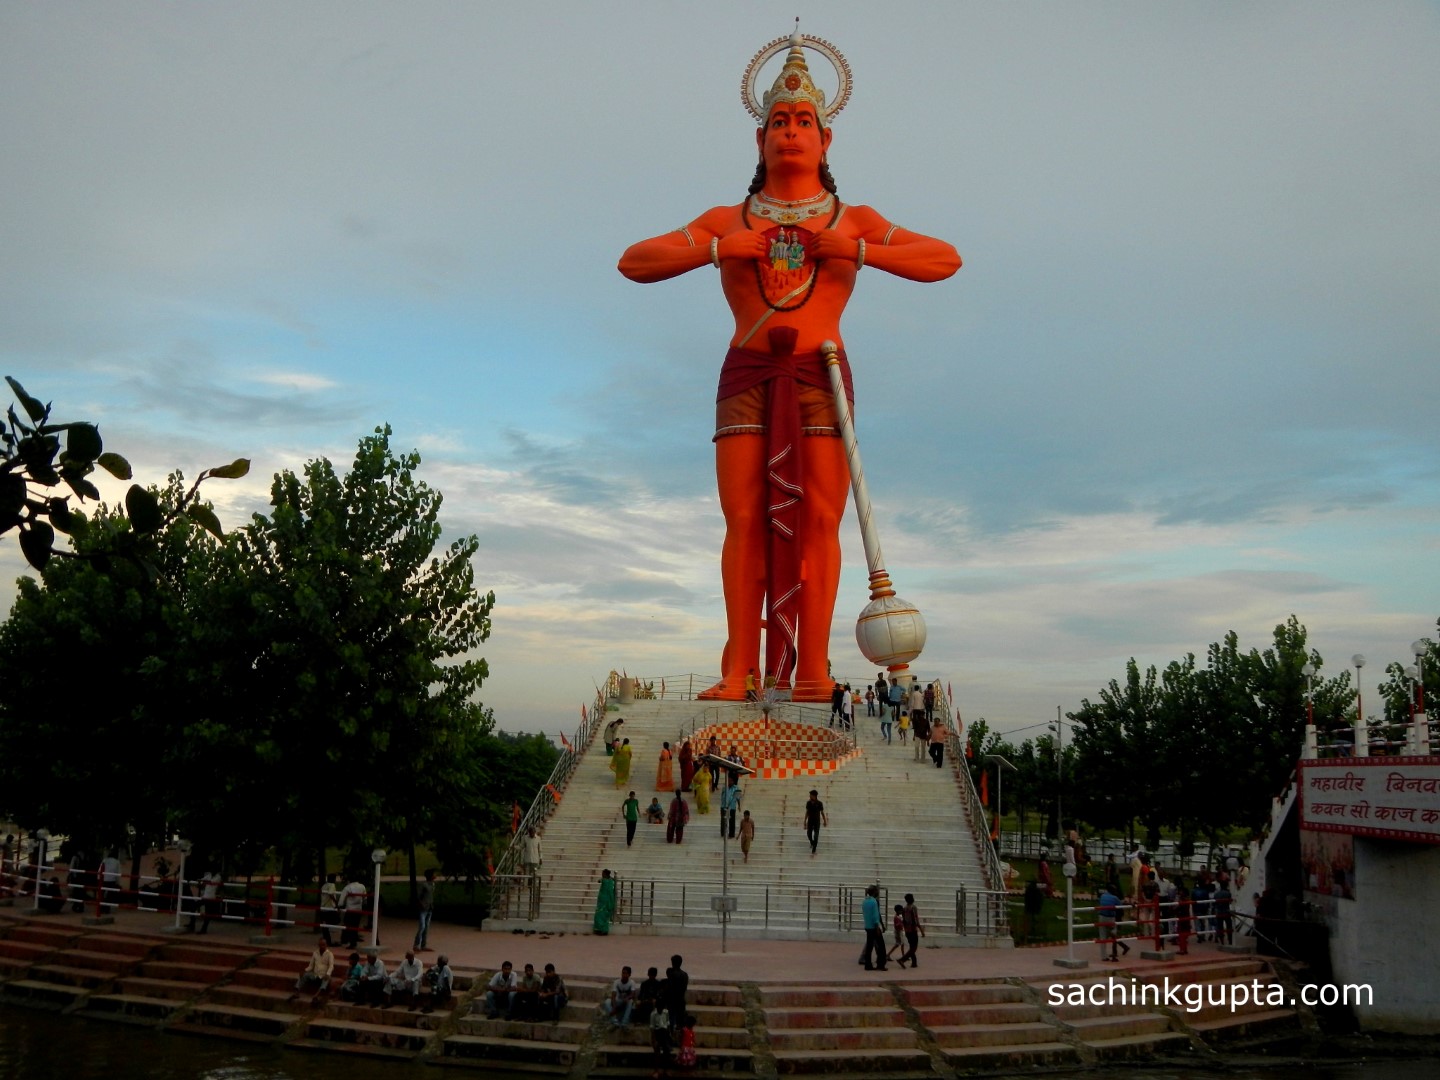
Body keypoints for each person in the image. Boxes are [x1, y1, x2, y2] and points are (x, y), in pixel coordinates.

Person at [618, 32, 960, 704]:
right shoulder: (728, 220)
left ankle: (812, 672)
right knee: (744, 520)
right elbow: (634, 261)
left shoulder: (853, 221)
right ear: (760, 139)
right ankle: (738, 670)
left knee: (821, 521)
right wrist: (716, 249)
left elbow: (944, 259)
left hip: (820, 377)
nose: (791, 132)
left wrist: (860, 252)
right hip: (747, 374)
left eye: (804, 121)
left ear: (826, 139)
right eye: (779, 121)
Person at [1096, 884, 1129, 961]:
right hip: (1110, 918)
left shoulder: (1102, 896)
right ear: (1112, 890)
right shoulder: (1114, 898)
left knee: (1102, 937)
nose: (1115, 891)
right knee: (1114, 933)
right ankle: (1115, 954)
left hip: (1101, 917)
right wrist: (1130, 904)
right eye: (1114, 890)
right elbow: (1121, 905)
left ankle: (1103, 956)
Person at [860, 884, 887, 970]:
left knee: (869, 947)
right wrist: (877, 927)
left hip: (867, 926)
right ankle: (881, 964)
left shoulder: (865, 901)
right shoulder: (874, 902)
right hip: (874, 927)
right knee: (881, 946)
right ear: (875, 892)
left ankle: (868, 964)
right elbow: (876, 915)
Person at [662, 955, 689, 1032]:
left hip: (672, 1000)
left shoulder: (672, 974)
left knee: (671, 1020)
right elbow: (684, 988)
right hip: (681, 999)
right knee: (680, 1021)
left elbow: (670, 988)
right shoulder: (685, 974)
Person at [339, 874, 367, 948]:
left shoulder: (348, 887)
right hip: (358, 909)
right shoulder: (362, 886)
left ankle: (349, 941)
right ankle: (351, 940)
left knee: (348, 925)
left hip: (350, 909)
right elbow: (365, 898)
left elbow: (341, 899)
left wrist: (340, 905)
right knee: (355, 926)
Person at [899, 893, 925, 968]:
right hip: (913, 930)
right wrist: (922, 931)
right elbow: (916, 920)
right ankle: (902, 960)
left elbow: (904, 920)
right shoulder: (913, 908)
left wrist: (905, 929)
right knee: (914, 948)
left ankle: (914, 962)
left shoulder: (904, 909)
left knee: (912, 946)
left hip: (907, 930)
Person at [415, 867, 437, 951]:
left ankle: (423, 945)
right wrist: (421, 904)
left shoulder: (432, 884)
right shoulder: (423, 885)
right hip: (423, 908)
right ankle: (417, 944)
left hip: (429, 908)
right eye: (434, 874)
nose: (435, 875)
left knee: (426, 927)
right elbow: (418, 896)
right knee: (422, 926)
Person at [803, 789, 828, 855]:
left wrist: (825, 821)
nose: (810, 796)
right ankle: (812, 842)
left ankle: (814, 850)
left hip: (816, 821)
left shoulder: (819, 803)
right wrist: (805, 821)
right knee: (809, 834)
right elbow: (807, 812)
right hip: (810, 821)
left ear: (815, 796)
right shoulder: (808, 803)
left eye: (811, 795)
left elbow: (822, 813)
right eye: (810, 795)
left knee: (816, 836)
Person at [318, 872, 340, 947]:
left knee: (325, 927)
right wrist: (336, 902)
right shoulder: (332, 885)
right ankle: (328, 941)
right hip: (329, 908)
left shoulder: (324, 885)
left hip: (323, 907)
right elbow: (330, 894)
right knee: (337, 920)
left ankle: (327, 941)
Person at [593, 869, 617, 935]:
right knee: (605, 917)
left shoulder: (604, 881)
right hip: (608, 901)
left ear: (606, 874)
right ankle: (604, 930)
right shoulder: (610, 881)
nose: (602, 875)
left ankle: (600, 930)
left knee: (599, 916)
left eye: (603, 874)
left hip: (603, 901)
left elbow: (599, 880)